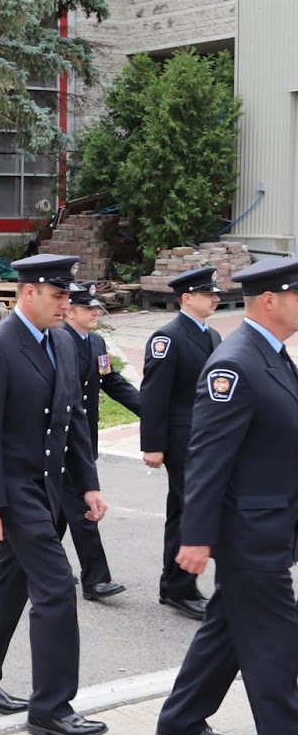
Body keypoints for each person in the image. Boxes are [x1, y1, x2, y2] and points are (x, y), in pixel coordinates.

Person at [154, 256, 298, 735]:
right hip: (248, 533)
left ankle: (182, 718)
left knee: (229, 627)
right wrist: (195, 537)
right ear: (271, 300)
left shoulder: (272, 354)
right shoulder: (235, 364)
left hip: (271, 522)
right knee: (276, 643)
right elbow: (207, 458)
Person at [0, 254, 108, 735]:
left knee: (10, 583)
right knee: (57, 586)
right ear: (28, 293)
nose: (66, 304)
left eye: (68, 296)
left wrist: (87, 483)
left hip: (48, 486)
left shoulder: (62, 341)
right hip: (13, 487)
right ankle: (51, 707)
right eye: (58, 295)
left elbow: (72, 417)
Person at [141, 266, 225, 620]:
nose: (215, 298)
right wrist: (153, 445)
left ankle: (173, 585)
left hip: (205, 440)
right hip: (181, 441)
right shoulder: (168, 337)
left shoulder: (213, 335)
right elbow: (154, 395)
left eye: (216, 293)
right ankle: (180, 587)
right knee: (194, 510)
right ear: (187, 298)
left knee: (181, 511)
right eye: (208, 294)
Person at [59, 283, 142, 600]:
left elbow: (111, 381)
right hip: (62, 441)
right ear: (70, 311)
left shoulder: (95, 342)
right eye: (88, 308)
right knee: (82, 507)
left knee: (58, 512)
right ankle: (96, 579)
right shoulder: (59, 341)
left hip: (84, 439)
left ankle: (36, 564)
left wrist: (149, 411)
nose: (96, 312)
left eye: (97, 307)